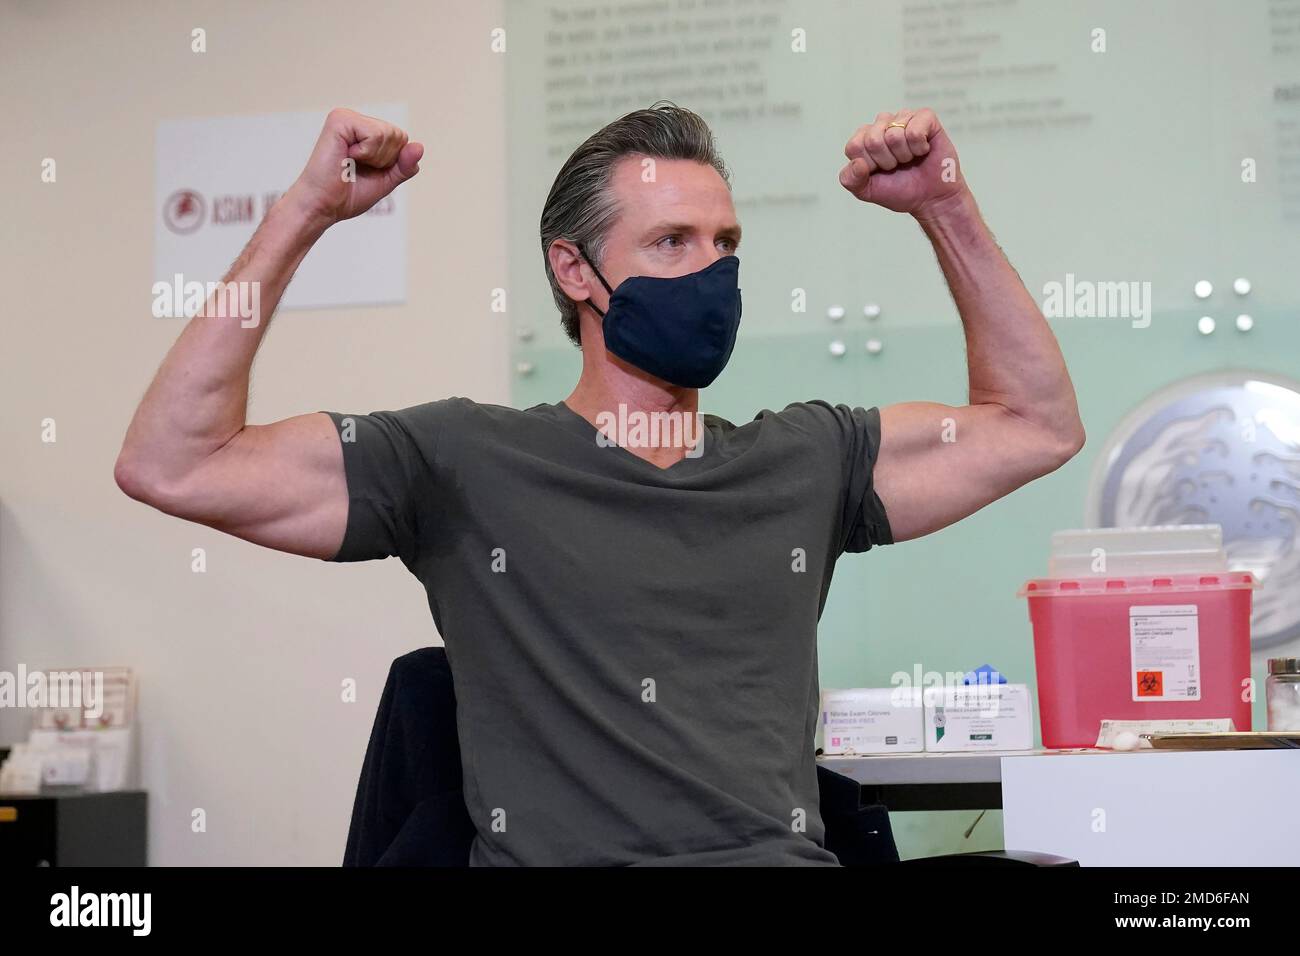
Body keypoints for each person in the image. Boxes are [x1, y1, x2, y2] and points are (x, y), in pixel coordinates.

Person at [115, 102, 1084, 866]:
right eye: (672, 243)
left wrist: (943, 206)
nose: (711, 272)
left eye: (726, 244)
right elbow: (175, 461)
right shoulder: (465, 461)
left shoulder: (804, 459)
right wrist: (304, 213)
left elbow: (1035, 424)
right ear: (574, 271)